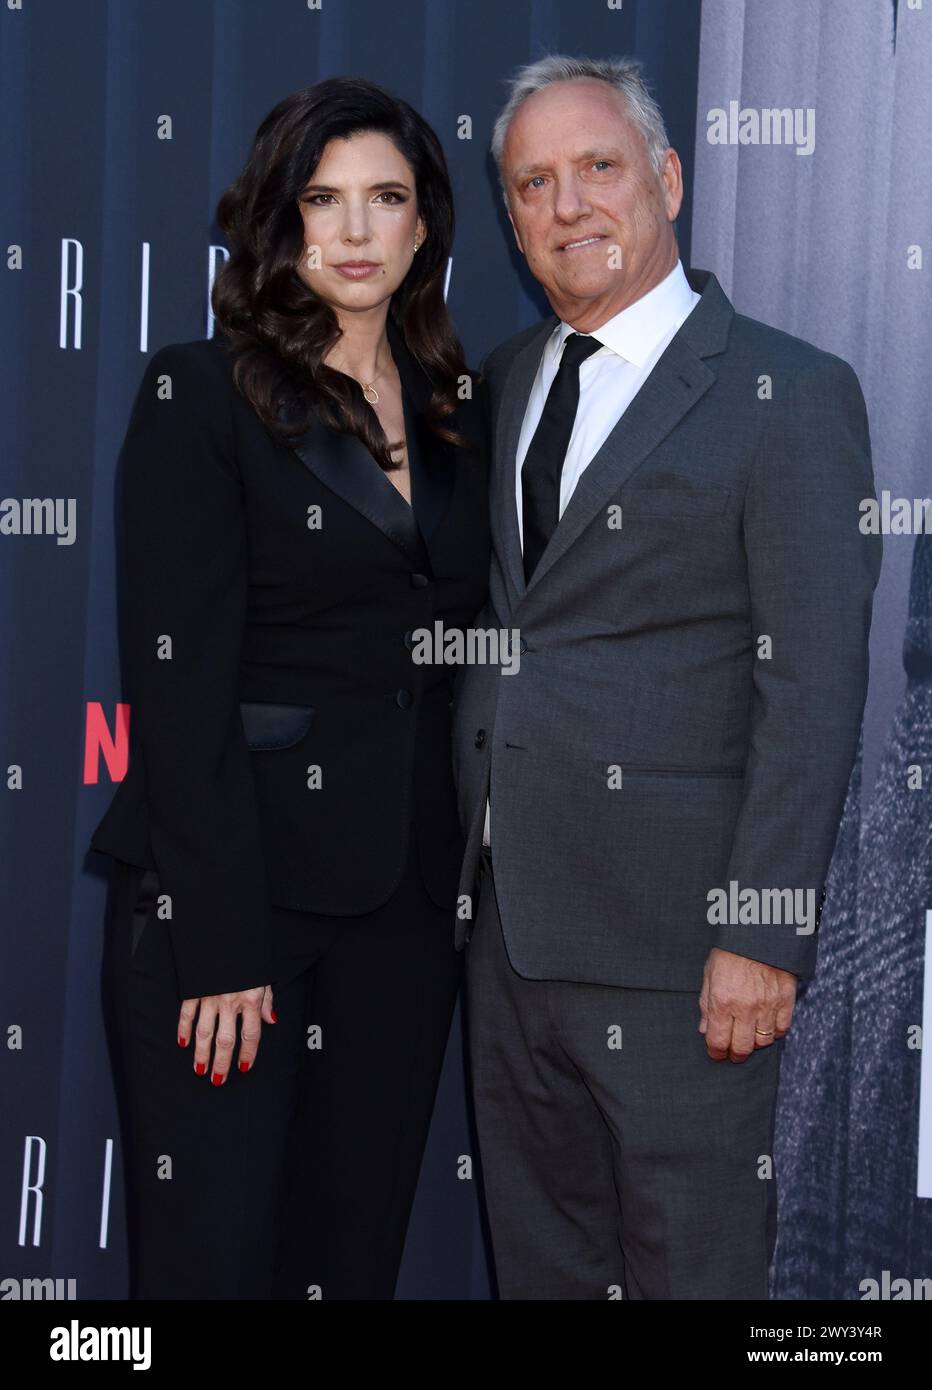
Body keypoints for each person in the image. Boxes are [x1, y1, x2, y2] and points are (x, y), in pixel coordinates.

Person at [451, 54, 883, 1299]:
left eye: (597, 167)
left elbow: (811, 686)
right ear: (512, 215)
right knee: (543, 1271)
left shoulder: (786, 394)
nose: (568, 205)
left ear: (667, 179)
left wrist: (761, 934)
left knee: (692, 1276)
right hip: (507, 935)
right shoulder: (507, 381)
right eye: (533, 182)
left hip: (683, 959)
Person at [91, 76, 489, 1300]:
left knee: (344, 1266)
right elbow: (178, 688)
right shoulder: (199, 394)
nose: (357, 232)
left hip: (407, 915)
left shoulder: (459, 409)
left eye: (387, 199)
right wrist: (220, 947)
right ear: (278, 222)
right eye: (324, 200)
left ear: (426, 229)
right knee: (207, 1275)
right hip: (234, 912)